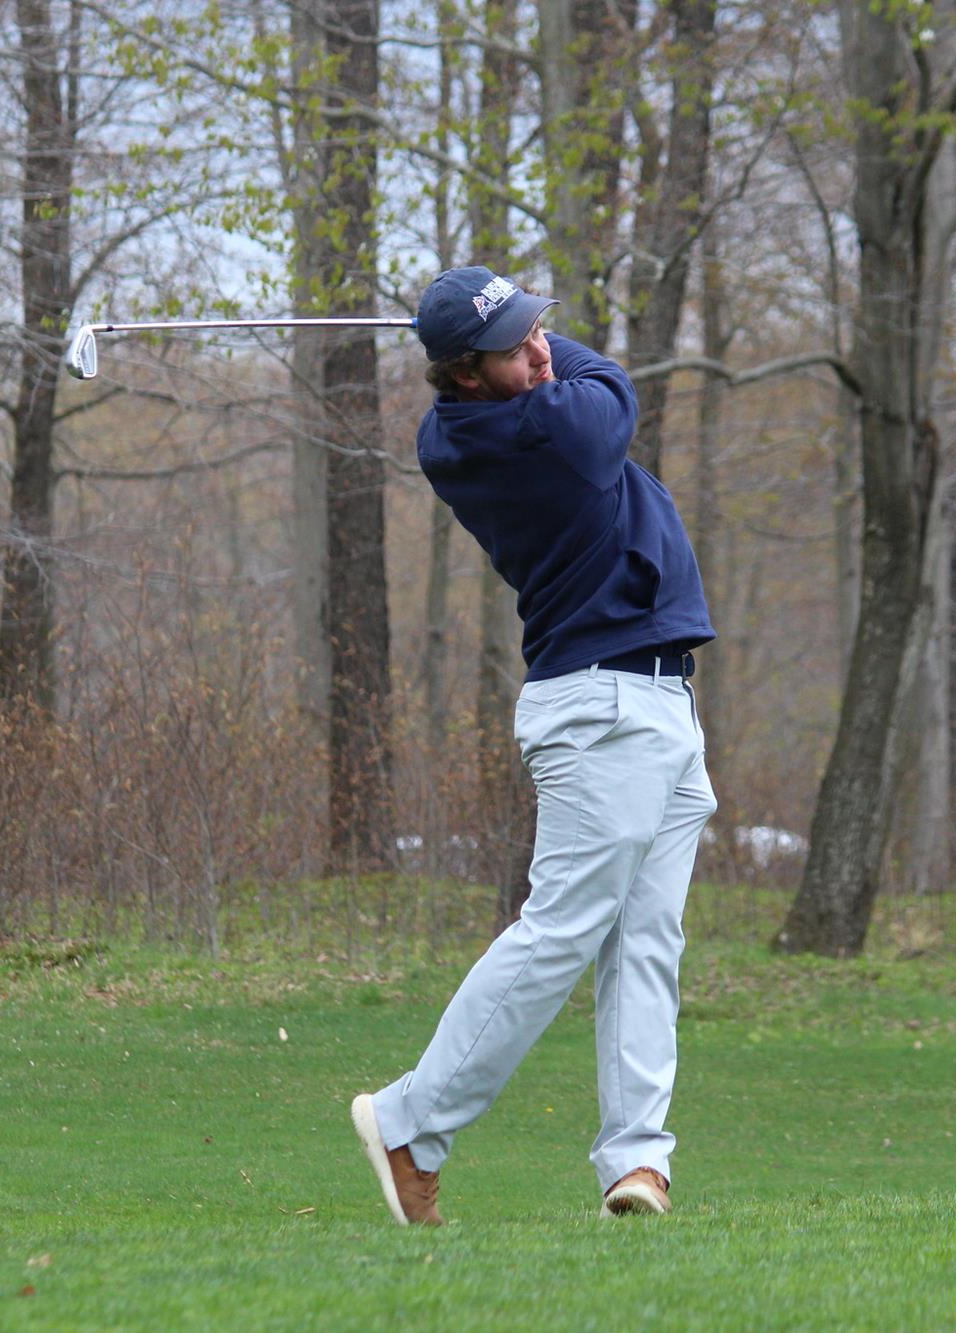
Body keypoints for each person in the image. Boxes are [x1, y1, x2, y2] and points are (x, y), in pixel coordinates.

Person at [350, 266, 717, 1224]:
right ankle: (410, 1123)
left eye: (539, 331)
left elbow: (556, 367)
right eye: (518, 346)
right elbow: (614, 390)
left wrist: (498, 327)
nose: (543, 350)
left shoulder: (482, 412)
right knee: (560, 933)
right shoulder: (548, 428)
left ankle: (637, 1161)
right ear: (466, 375)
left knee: (646, 943)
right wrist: (538, 339)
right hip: (603, 709)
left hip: (656, 701)